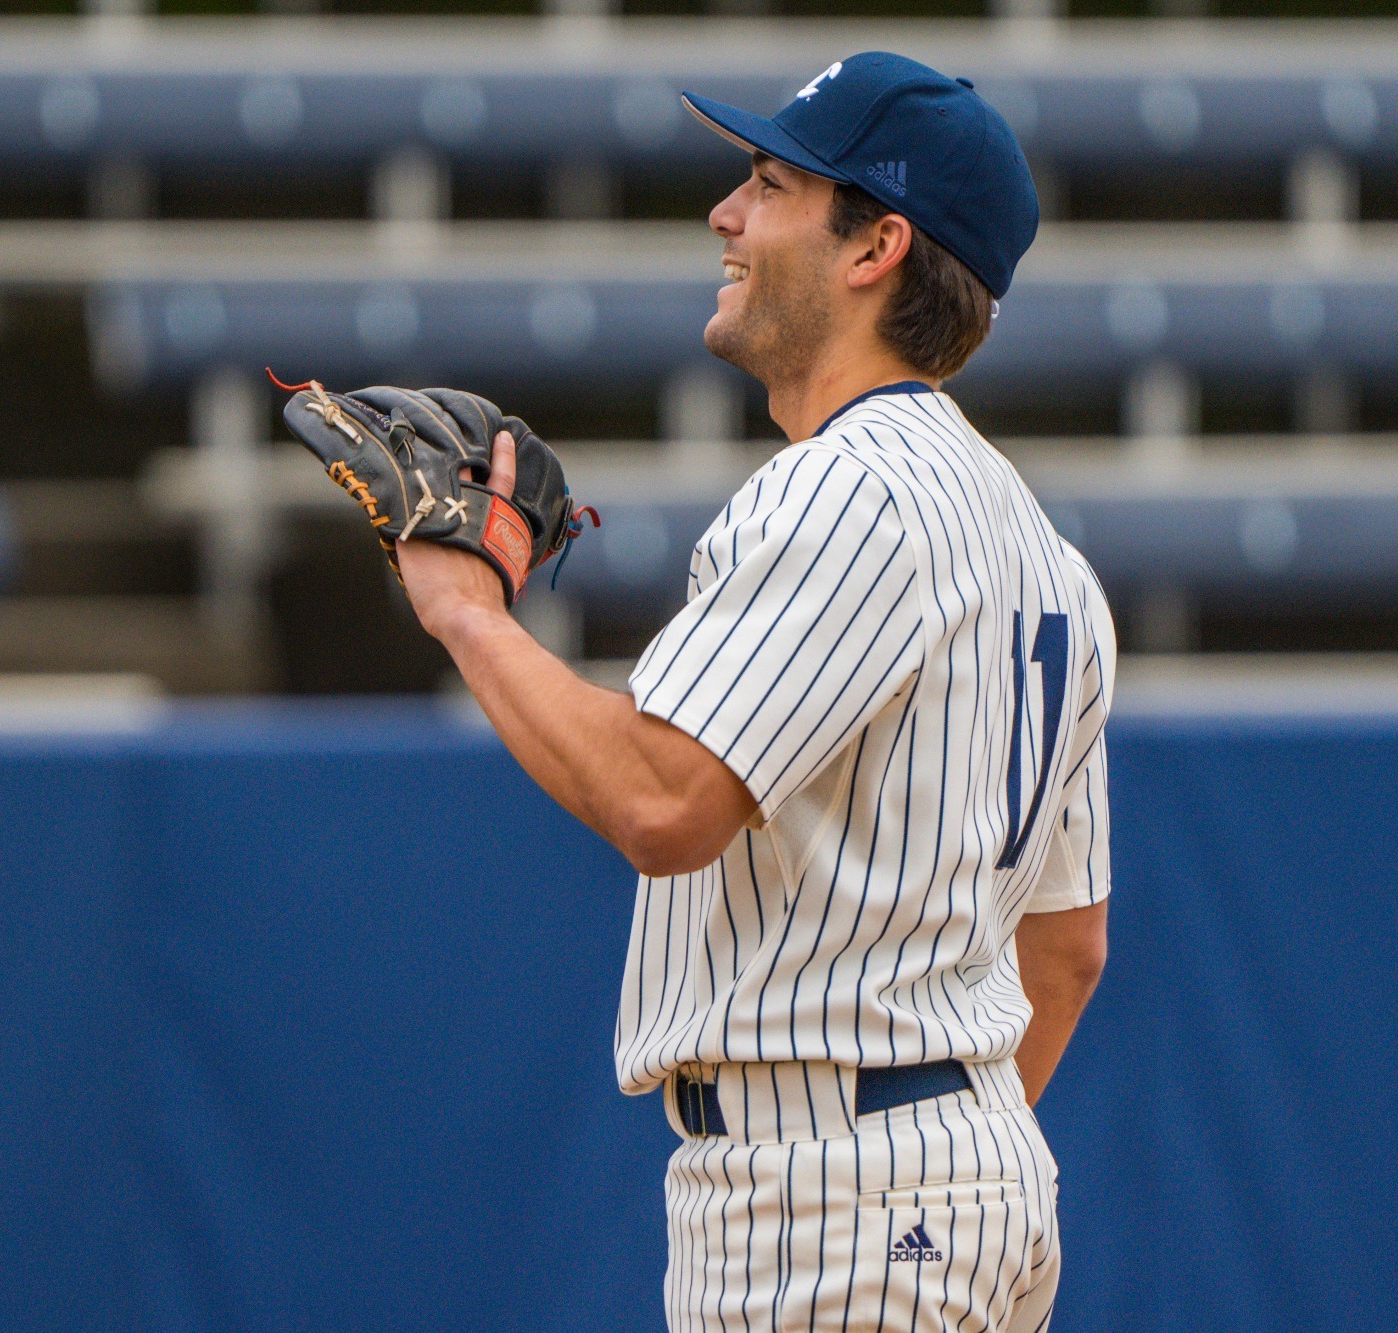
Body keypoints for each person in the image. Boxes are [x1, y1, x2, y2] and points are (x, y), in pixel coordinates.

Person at [396, 51, 1114, 1332]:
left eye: (773, 185)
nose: (725, 214)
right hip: (954, 1173)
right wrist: (947, 1151)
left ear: (875, 246)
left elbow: (661, 799)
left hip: (833, 1195)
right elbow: (1066, 950)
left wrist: (465, 612)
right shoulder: (1046, 555)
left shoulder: (847, 488)